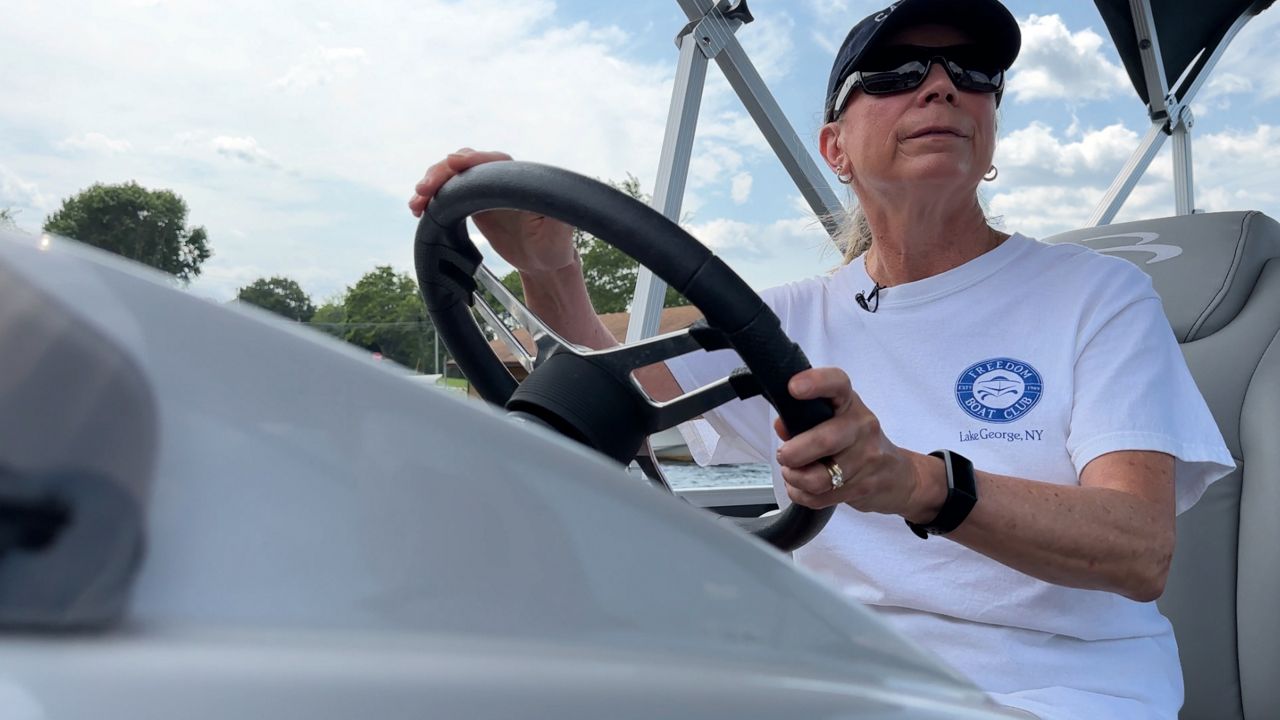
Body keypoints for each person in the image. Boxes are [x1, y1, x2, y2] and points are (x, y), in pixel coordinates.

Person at [409, 1, 1234, 717]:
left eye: (973, 72)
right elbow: (611, 388)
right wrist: (549, 265)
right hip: (829, 676)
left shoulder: (1098, 298)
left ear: (989, 133)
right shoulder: (789, 318)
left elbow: (1138, 549)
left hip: (1050, 694)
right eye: (896, 73)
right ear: (834, 148)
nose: (942, 85)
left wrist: (916, 481)